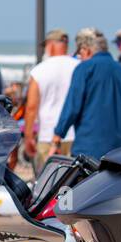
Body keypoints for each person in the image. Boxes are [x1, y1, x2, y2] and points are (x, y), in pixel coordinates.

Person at [50, 29, 121, 159]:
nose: (80, 58)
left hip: (88, 150)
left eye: (80, 54)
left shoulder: (84, 69)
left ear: (87, 50)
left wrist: (58, 136)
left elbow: (72, 107)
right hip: (119, 153)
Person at [23, 28, 79, 171]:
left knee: (46, 185)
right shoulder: (79, 67)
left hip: (48, 134)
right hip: (75, 134)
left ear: (50, 44)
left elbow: (31, 107)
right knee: (75, 184)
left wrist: (28, 137)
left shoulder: (39, 70)